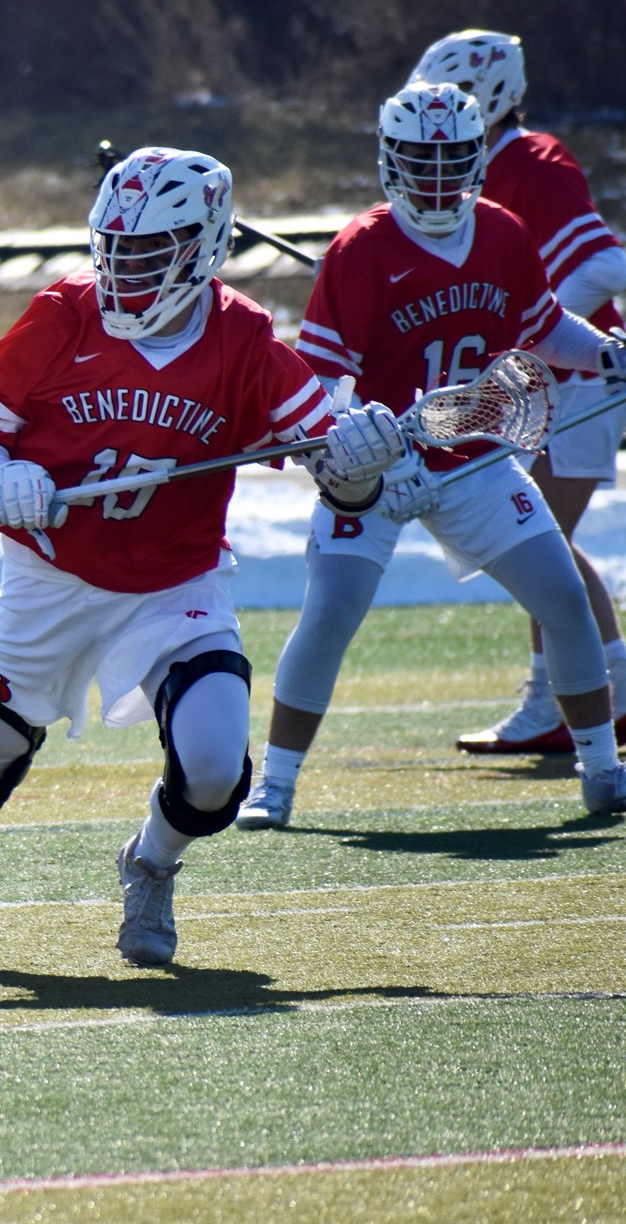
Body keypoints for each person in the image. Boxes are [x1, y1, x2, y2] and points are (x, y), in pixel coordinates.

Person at [0, 147, 386, 968]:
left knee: (211, 769)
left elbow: (335, 476)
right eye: (115, 248)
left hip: (175, 582)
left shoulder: (243, 338)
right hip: (52, 574)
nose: (126, 269)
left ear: (203, 245)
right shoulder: (65, 313)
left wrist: (361, 462)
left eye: (150, 250)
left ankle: (150, 863)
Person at [236, 83, 626, 832]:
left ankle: (603, 768)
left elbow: (542, 326)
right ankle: (274, 784)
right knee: (331, 612)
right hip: (378, 466)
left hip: (475, 459)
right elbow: (317, 386)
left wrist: (606, 354)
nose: (439, 176)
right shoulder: (360, 248)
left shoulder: (504, 232)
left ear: (478, 156)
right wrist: (358, 445)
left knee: (564, 599)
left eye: (453, 158)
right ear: (391, 159)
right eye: (422, 158)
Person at [409, 32, 626, 754]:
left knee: (541, 543)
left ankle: (580, 697)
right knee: (542, 542)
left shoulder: (533, 161)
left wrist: (531, 332)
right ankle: (583, 694)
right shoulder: (480, 173)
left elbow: (601, 265)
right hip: (546, 389)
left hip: (578, 382)